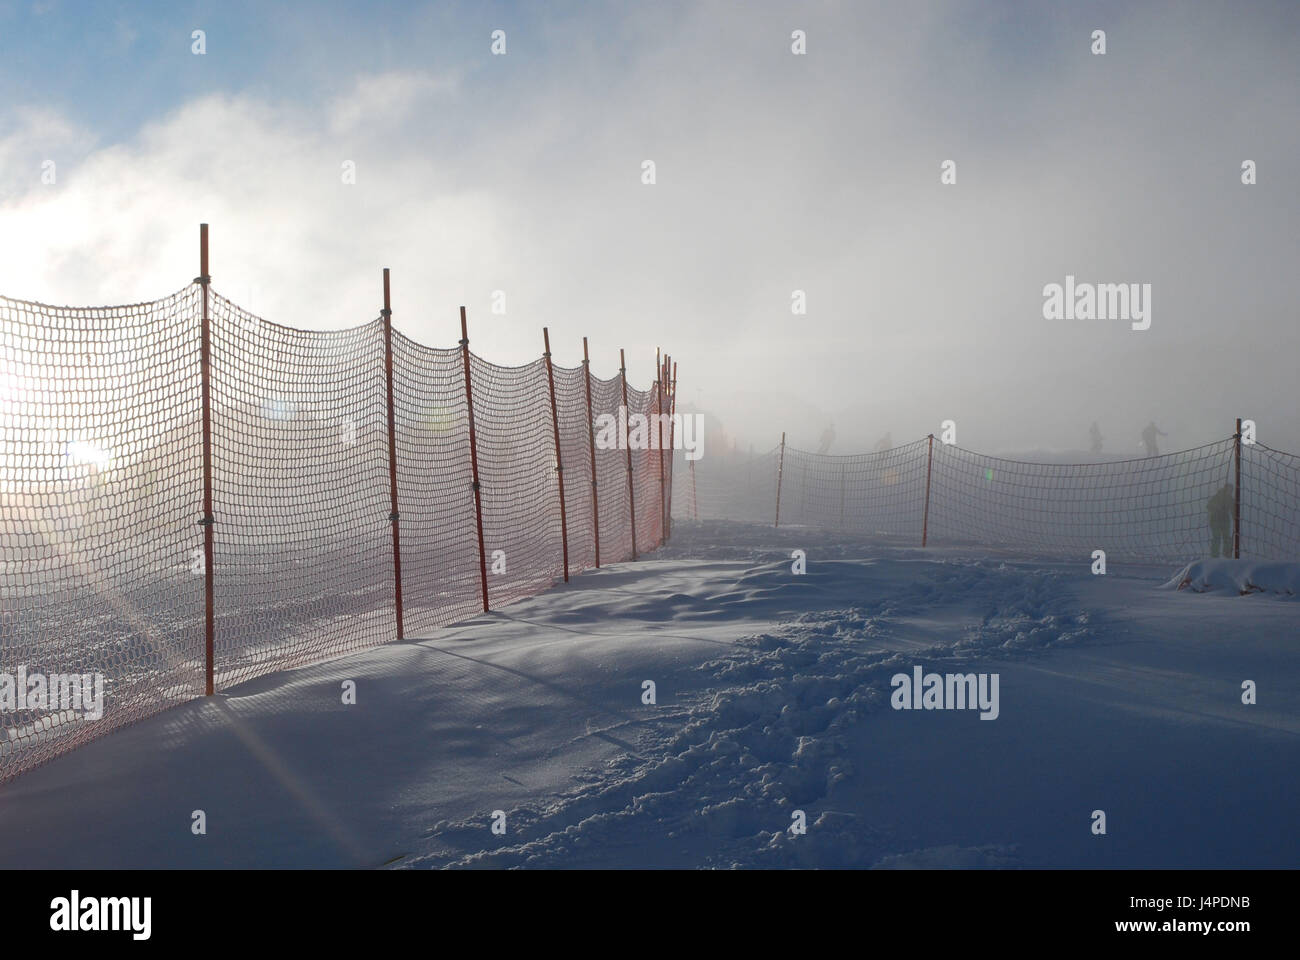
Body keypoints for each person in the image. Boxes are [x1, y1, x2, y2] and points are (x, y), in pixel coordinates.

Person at [1207, 483, 1234, 558]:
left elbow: (1233, 511)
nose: (1230, 491)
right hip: (1215, 520)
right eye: (1229, 489)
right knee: (1217, 538)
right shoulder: (1217, 496)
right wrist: (1217, 507)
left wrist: (1235, 519)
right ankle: (1214, 556)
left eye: (1231, 490)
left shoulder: (1231, 499)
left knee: (1227, 538)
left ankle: (1227, 555)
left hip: (1225, 521)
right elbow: (1209, 506)